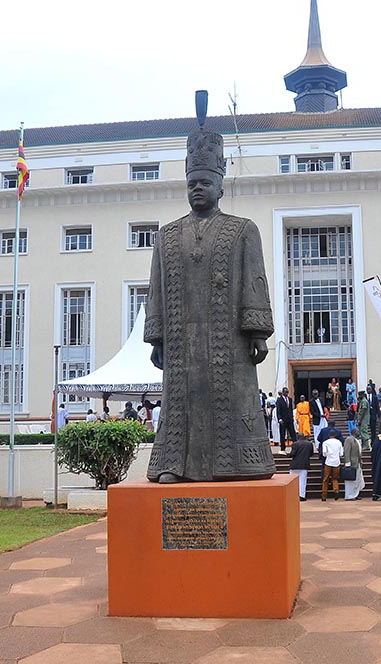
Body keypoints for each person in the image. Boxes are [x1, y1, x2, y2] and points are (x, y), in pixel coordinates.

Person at [143, 96, 275, 483]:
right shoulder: (167, 236)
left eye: (204, 183)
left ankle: (241, 463)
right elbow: (156, 289)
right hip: (183, 342)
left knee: (230, 397)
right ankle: (173, 465)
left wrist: (257, 332)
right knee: (181, 400)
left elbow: (255, 278)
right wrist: (157, 338)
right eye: (191, 184)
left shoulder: (242, 229)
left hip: (228, 341)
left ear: (220, 185)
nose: (197, 189)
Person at [289, 435, 314, 501]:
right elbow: (311, 454)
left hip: (295, 465)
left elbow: (292, 454)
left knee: (292, 481)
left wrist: (287, 454)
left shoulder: (295, 444)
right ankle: (302, 495)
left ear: (297, 437)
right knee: (302, 481)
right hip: (304, 464)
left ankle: (292, 495)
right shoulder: (309, 444)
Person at [320, 433, 343, 501]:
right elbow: (341, 453)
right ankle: (336, 491)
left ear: (329, 435)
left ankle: (324, 495)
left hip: (328, 462)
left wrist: (328, 455)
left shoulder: (325, 442)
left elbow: (324, 453)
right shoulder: (339, 442)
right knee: (335, 478)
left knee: (326, 479)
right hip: (336, 462)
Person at [341, 434, 365, 500]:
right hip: (351, 463)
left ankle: (355, 494)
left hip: (357, 463)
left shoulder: (357, 440)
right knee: (350, 481)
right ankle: (349, 496)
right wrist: (347, 463)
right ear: (354, 432)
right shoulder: (349, 440)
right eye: (356, 431)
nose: (358, 432)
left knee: (358, 480)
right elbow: (347, 451)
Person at [276, 387, 297, 453]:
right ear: (283, 392)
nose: (287, 393)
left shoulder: (290, 399)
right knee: (282, 434)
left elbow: (290, 409)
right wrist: (279, 419)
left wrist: (292, 417)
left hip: (289, 419)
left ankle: (296, 447)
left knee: (292, 433)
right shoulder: (279, 400)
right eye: (285, 392)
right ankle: (282, 448)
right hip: (283, 420)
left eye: (287, 392)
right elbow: (278, 410)